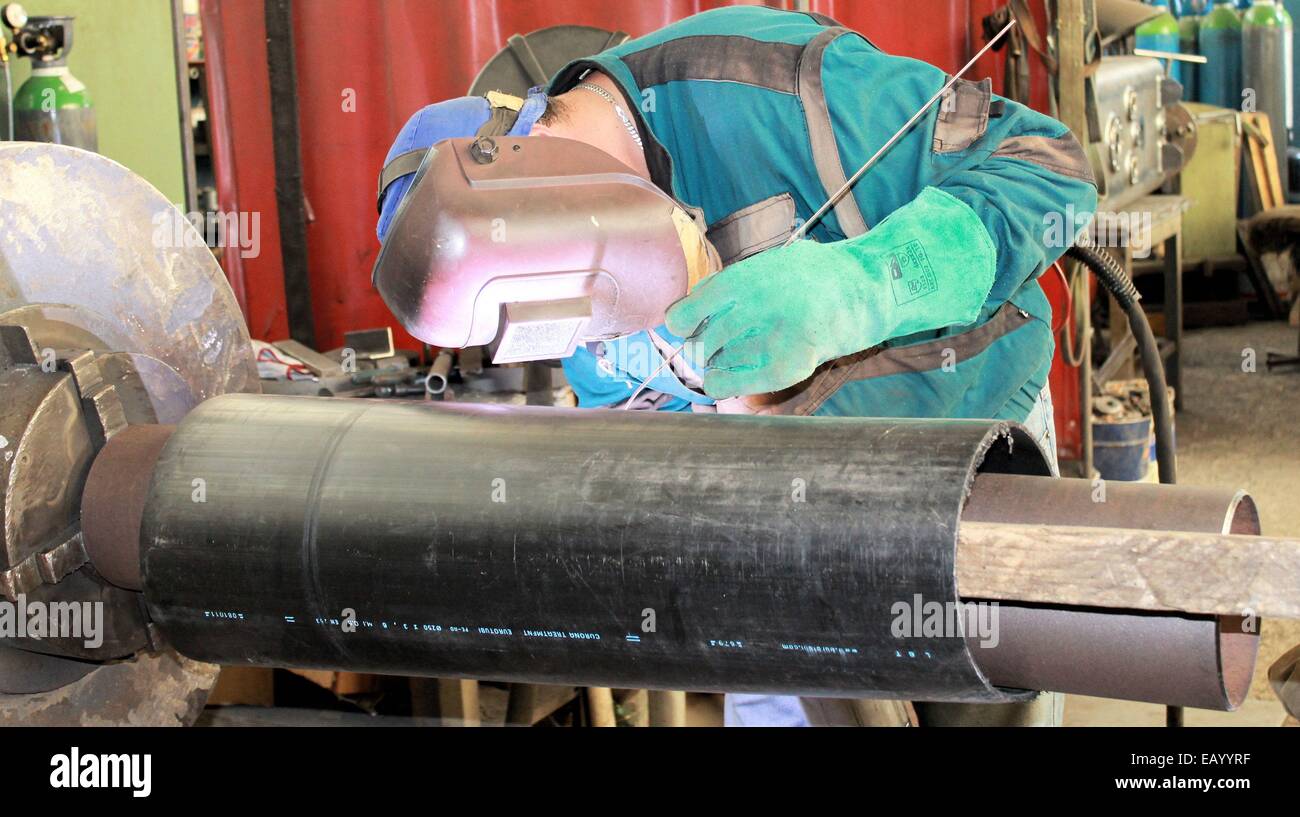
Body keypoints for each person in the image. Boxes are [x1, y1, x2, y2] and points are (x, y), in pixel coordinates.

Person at [376, 5, 1097, 726]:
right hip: (796, 527)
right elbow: (641, 442)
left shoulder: (763, 79)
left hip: (966, 441)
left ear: (533, 164)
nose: (581, 337)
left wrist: (864, 285)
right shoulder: (568, 303)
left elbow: (1050, 168)